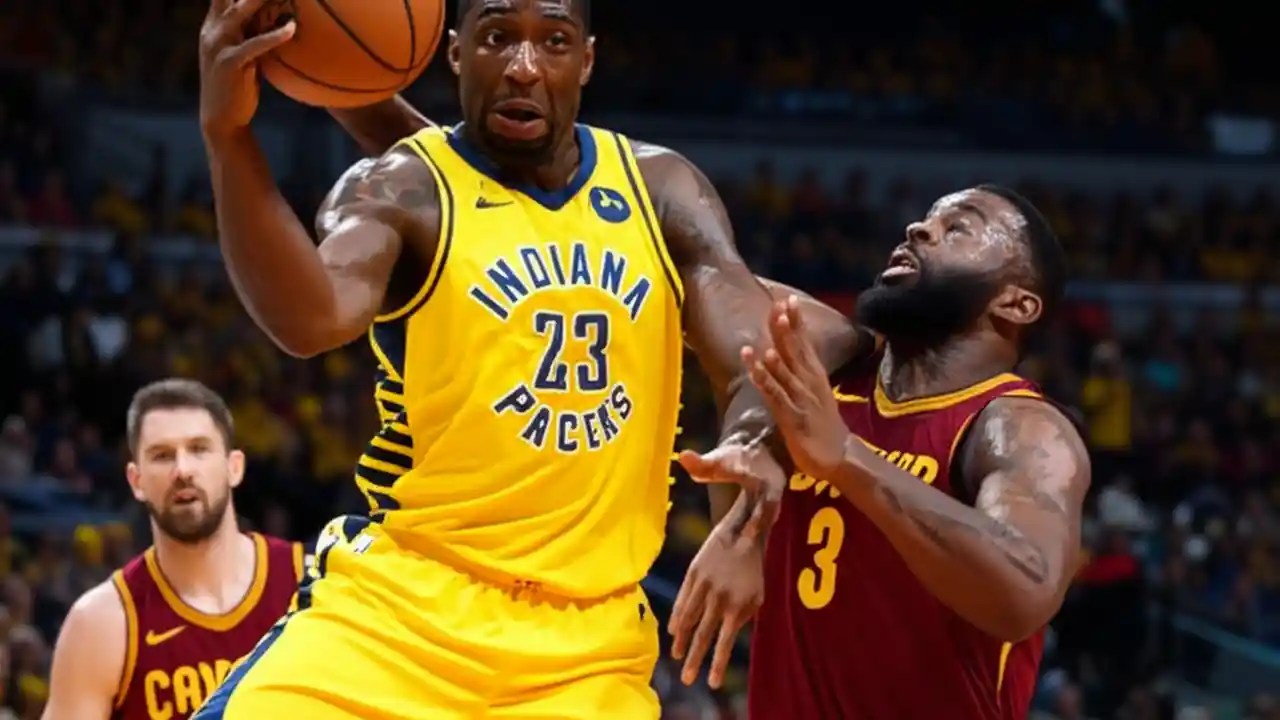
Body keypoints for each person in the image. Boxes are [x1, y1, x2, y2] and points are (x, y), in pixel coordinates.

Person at [193, 0, 861, 717]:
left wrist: (746, 509)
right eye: (497, 38)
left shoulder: (660, 189)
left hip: (587, 651)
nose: (523, 65)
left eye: (553, 41)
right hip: (401, 614)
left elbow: (756, 354)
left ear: (588, 59)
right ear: (455, 54)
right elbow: (310, 319)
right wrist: (228, 136)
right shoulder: (400, 187)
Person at [671, 185, 1091, 719]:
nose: (919, 229)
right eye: (924, 218)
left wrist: (846, 458)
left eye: (958, 227)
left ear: (1016, 302)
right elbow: (685, 274)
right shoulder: (831, 364)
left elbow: (1024, 593)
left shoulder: (1018, 424)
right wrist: (746, 512)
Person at [42, 380, 307, 720]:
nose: (182, 471)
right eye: (162, 455)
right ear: (136, 481)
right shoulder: (100, 624)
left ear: (234, 467)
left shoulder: (311, 582)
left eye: (199, 449)